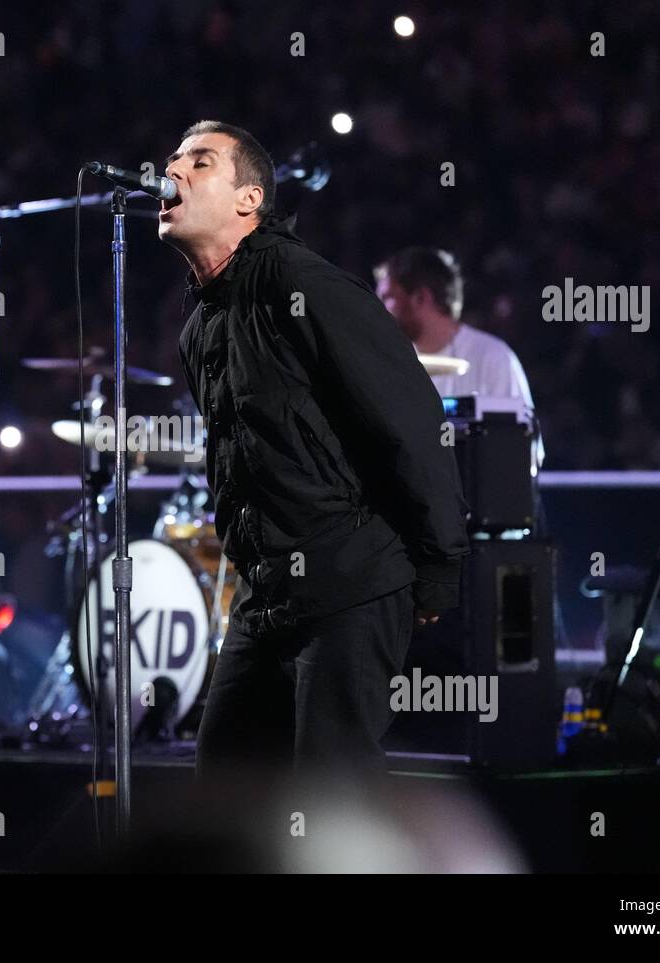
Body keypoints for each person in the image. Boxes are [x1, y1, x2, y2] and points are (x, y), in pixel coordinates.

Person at [159, 120, 469, 790]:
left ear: (249, 200)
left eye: (200, 160)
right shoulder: (200, 326)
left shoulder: (307, 286)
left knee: (335, 796)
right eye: (174, 157)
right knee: (228, 791)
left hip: (349, 580)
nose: (174, 169)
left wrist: (440, 560)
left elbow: (412, 422)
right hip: (266, 593)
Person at [375, 247, 543, 468]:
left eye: (387, 298)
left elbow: (524, 452)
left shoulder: (493, 357)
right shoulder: (387, 364)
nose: (378, 309)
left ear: (420, 298)